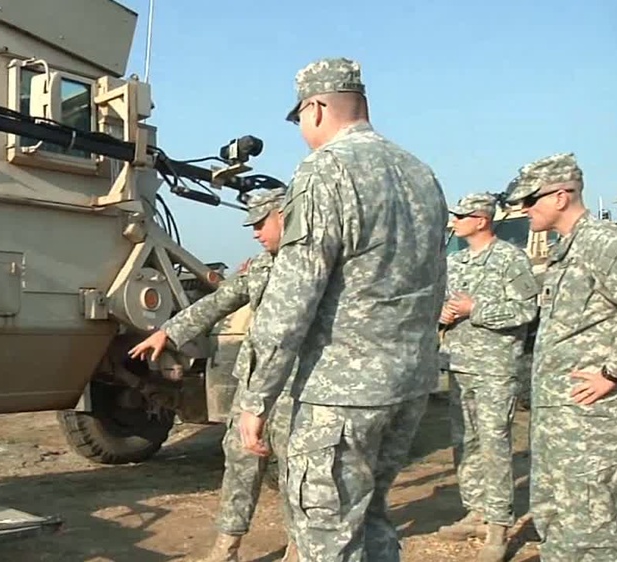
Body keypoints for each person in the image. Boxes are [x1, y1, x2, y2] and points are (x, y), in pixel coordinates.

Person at [235, 57, 449, 561]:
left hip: (341, 396)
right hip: (410, 384)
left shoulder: (324, 171)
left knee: (328, 536)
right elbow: (436, 280)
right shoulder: (421, 173)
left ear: (313, 109)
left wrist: (255, 397)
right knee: (372, 520)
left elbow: (292, 298)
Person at [504, 153, 617, 561]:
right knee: (558, 515)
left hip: (594, 417)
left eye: (532, 200)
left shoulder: (601, 241)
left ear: (561, 196)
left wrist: (612, 369)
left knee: (591, 525)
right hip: (563, 414)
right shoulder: (569, 248)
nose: (525, 210)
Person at [128, 188, 298, 562]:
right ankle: (227, 547)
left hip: (297, 386)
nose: (254, 232)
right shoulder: (260, 267)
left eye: (259, 223)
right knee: (239, 463)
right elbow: (217, 302)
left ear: (284, 216)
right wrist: (168, 332)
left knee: (296, 472)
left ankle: (299, 549)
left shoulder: (315, 263)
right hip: (254, 384)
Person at [437, 192, 539, 561]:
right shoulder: (456, 262)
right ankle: (476, 510)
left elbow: (526, 309)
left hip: (496, 366)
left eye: (462, 216)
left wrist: (475, 308)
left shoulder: (510, 259)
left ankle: (498, 526)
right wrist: (444, 315)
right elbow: (442, 303)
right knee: (465, 441)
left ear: (482, 220)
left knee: (495, 445)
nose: (454, 222)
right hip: (460, 363)